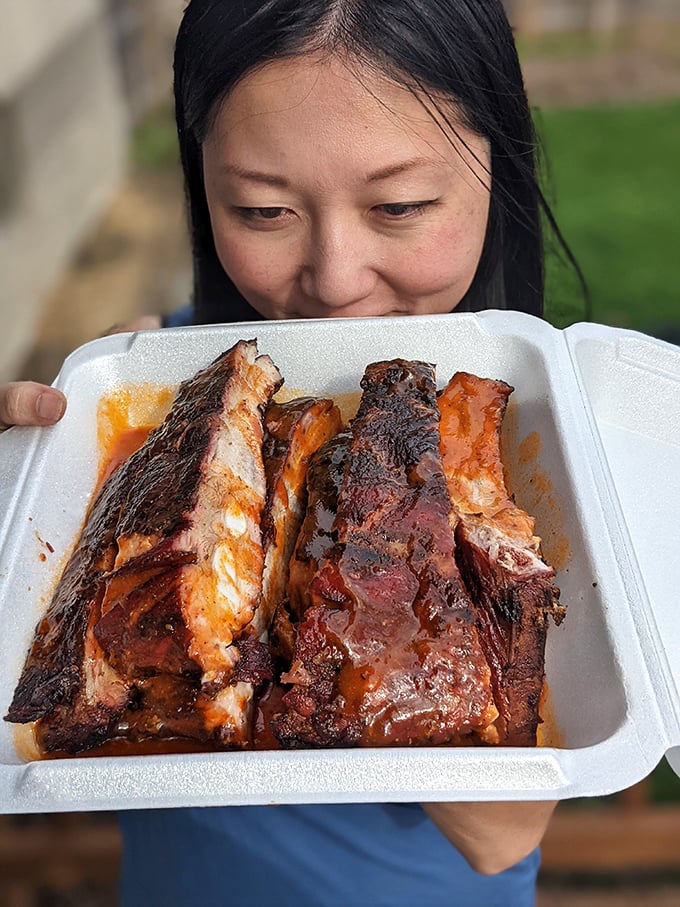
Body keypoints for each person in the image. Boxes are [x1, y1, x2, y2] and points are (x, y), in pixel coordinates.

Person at [0, 1, 585, 903]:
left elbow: (501, 833)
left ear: (497, 165)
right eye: (262, 209)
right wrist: (27, 495)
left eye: (400, 205)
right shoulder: (172, 392)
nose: (335, 280)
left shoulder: (562, 432)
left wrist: (373, 597)